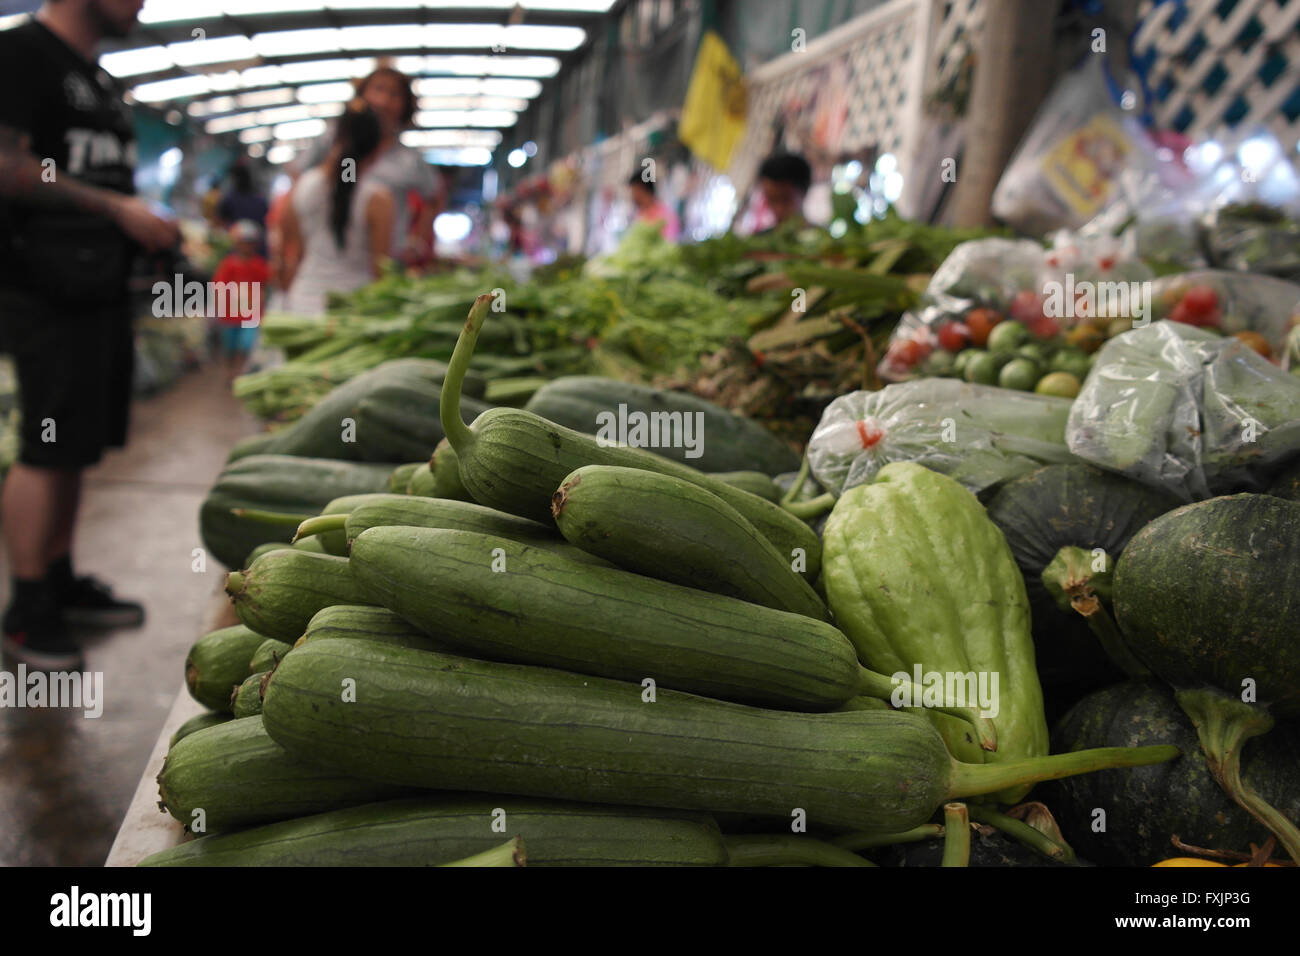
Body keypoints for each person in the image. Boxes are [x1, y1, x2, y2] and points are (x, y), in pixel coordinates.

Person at [0, 0, 180, 672]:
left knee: (73, 443)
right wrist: (116, 208)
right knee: (44, 446)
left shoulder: (99, 80)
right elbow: (8, 165)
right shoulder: (21, 54)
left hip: (98, 284)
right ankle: (25, 609)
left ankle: (58, 577)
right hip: (42, 283)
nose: (142, 3)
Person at [296, 66, 439, 267]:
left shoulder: (408, 159)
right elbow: (305, 179)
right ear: (361, 96)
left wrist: (419, 240)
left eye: (394, 94)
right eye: (378, 90)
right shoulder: (337, 144)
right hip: (332, 256)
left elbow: (434, 196)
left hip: (386, 261)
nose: (384, 101)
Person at [279, 104, 395, 316]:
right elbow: (381, 271)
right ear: (378, 149)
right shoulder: (378, 199)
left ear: (335, 138)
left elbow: (289, 248)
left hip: (301, 307)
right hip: (351, 314)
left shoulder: (302, 186)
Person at [211, 220, 270, 381]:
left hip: (251, 314)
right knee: (230, 346)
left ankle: (241, 372)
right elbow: (219, 286)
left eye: (250, 243)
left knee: (247, 345)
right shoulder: (228, 265)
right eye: (243, 243)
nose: (246, 247)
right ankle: (230, 371)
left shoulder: (259, 265)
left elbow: (267, 283)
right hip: (230, 315)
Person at [216, 166, 268, 254]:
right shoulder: (261, 200)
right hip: (258, 250)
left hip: (239, 251)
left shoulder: (230, 199)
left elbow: (220, 221)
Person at [755, 152, 813, 231]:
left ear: (804, 192)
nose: (778, 209)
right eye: (772, 200)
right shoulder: (759, 241)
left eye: (785, 199)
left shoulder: (826, 241)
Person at [627, 171, 680, 241]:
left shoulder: (666, 216)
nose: (632, 196)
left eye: (633, 191)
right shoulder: (638, 215)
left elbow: (669, 242)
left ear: (641, 189)